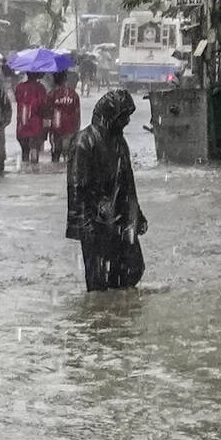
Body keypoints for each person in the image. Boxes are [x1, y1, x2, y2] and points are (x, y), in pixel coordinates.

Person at [66, 89, 147, 292]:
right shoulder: (84, 142)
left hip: (120, 218)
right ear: (111, 116)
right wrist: (84, 224)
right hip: (94, 221)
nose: (127, 121)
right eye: (124, 116)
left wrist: (137, 215)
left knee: (133, 269)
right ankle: (102, 309)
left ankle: (118, 306)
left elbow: (128, 182)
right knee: (98, 281)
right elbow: (76, 188)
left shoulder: (119, 142)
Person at [14, 71, 50, 165]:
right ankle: (34, 170)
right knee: (34, 150)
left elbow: (18, 100)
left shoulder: (19, 87)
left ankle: (24, 170)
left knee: (25, 151)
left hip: (22, 124)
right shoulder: (40, 88)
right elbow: (43, 106)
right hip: (35, 126)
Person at [47, 71, 82, 163]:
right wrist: (77, 129)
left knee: (56, 152)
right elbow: (77, 113)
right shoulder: (73, 94)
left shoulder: (51, 94)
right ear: (65, 79)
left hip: (56, 127)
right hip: (70, 127)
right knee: (68, 154)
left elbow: (47, 113)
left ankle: (55, 167)